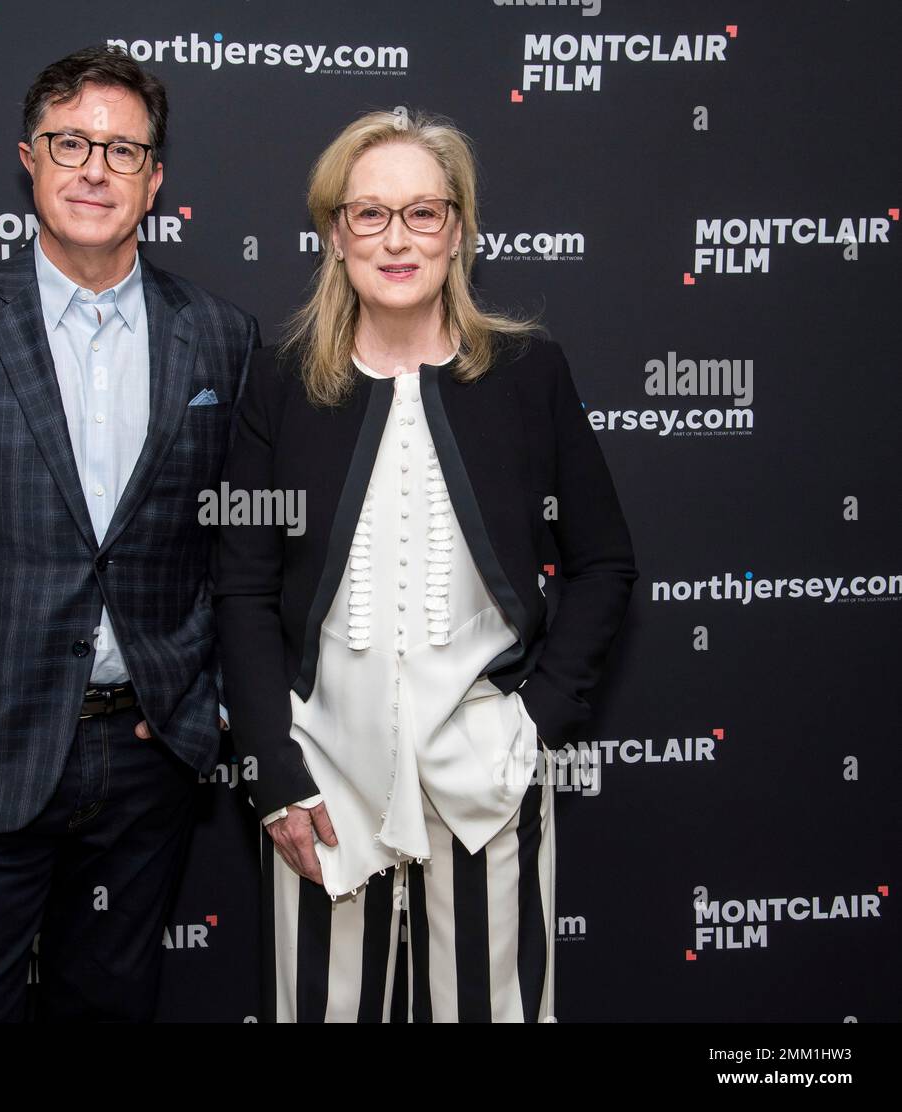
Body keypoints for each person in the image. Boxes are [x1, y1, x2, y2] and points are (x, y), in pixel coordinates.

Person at [0, 45, 251, 1022]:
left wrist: (211, 698)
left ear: (155, 179)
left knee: (112, 1006)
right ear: (29, 157)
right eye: (71, 143)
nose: (94, 169)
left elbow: (243, 539)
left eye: (121, 150)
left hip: (147, 757)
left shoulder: (221, 335)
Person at [212, 109, 638, 1022]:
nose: (396, 238)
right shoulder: (282, 383)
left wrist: (535, 725)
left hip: (486, 773)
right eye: (369, 214)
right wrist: (273, 772)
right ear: (334, 234)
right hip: (321, 784)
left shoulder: (528, 374)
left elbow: (603, 561)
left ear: (458, 229)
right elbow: (243, 587)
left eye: (423, 212)